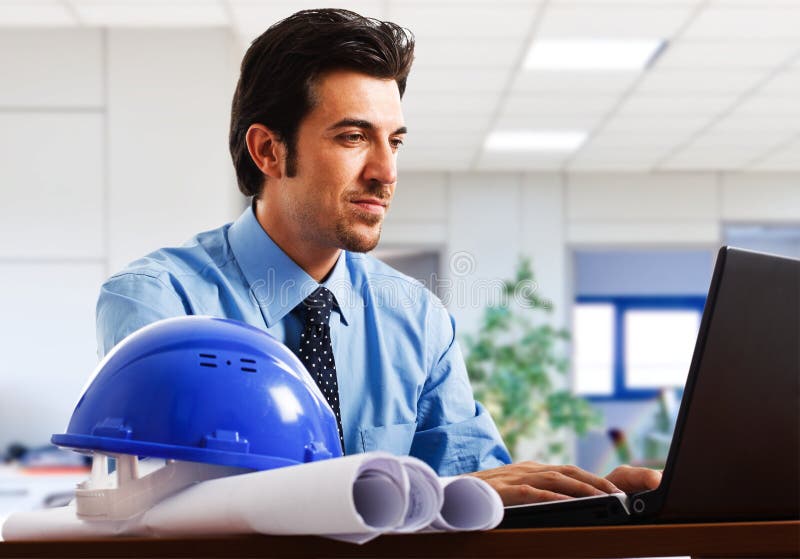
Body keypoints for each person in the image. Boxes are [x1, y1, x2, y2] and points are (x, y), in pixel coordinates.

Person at [96, 8, 660, 505]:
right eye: (352, 137)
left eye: (394, 141)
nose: (386, 173)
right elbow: (178, 507)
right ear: (269, 150)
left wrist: (586, 501)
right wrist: (422, 491)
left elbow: (476, 488)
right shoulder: (159, 303)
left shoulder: (416, 318)